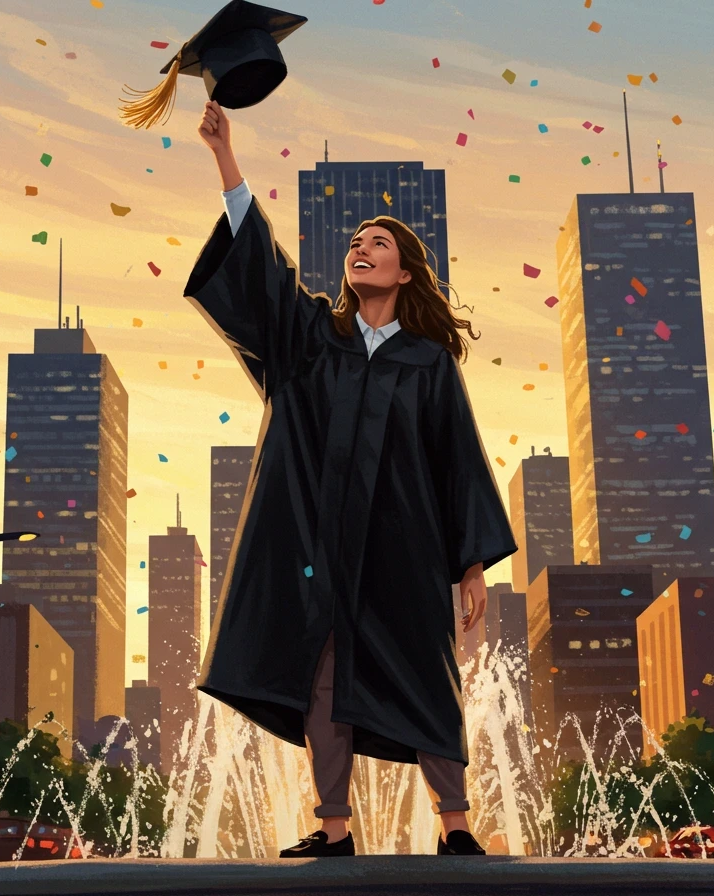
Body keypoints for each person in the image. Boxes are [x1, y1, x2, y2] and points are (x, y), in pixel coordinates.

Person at [187, 100, 517, 859]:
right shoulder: (313, 342)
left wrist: (469, 562)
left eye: (380, 244)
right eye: (357, 243)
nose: (362, 250)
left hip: (402, 551)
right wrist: (225, 159)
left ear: (405, 273)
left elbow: (456, 456)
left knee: (427, 676)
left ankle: (455, 825)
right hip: (318, 545)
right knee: (323, 680)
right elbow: (264, 280)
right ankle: (333, 829)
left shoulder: (427, 364)